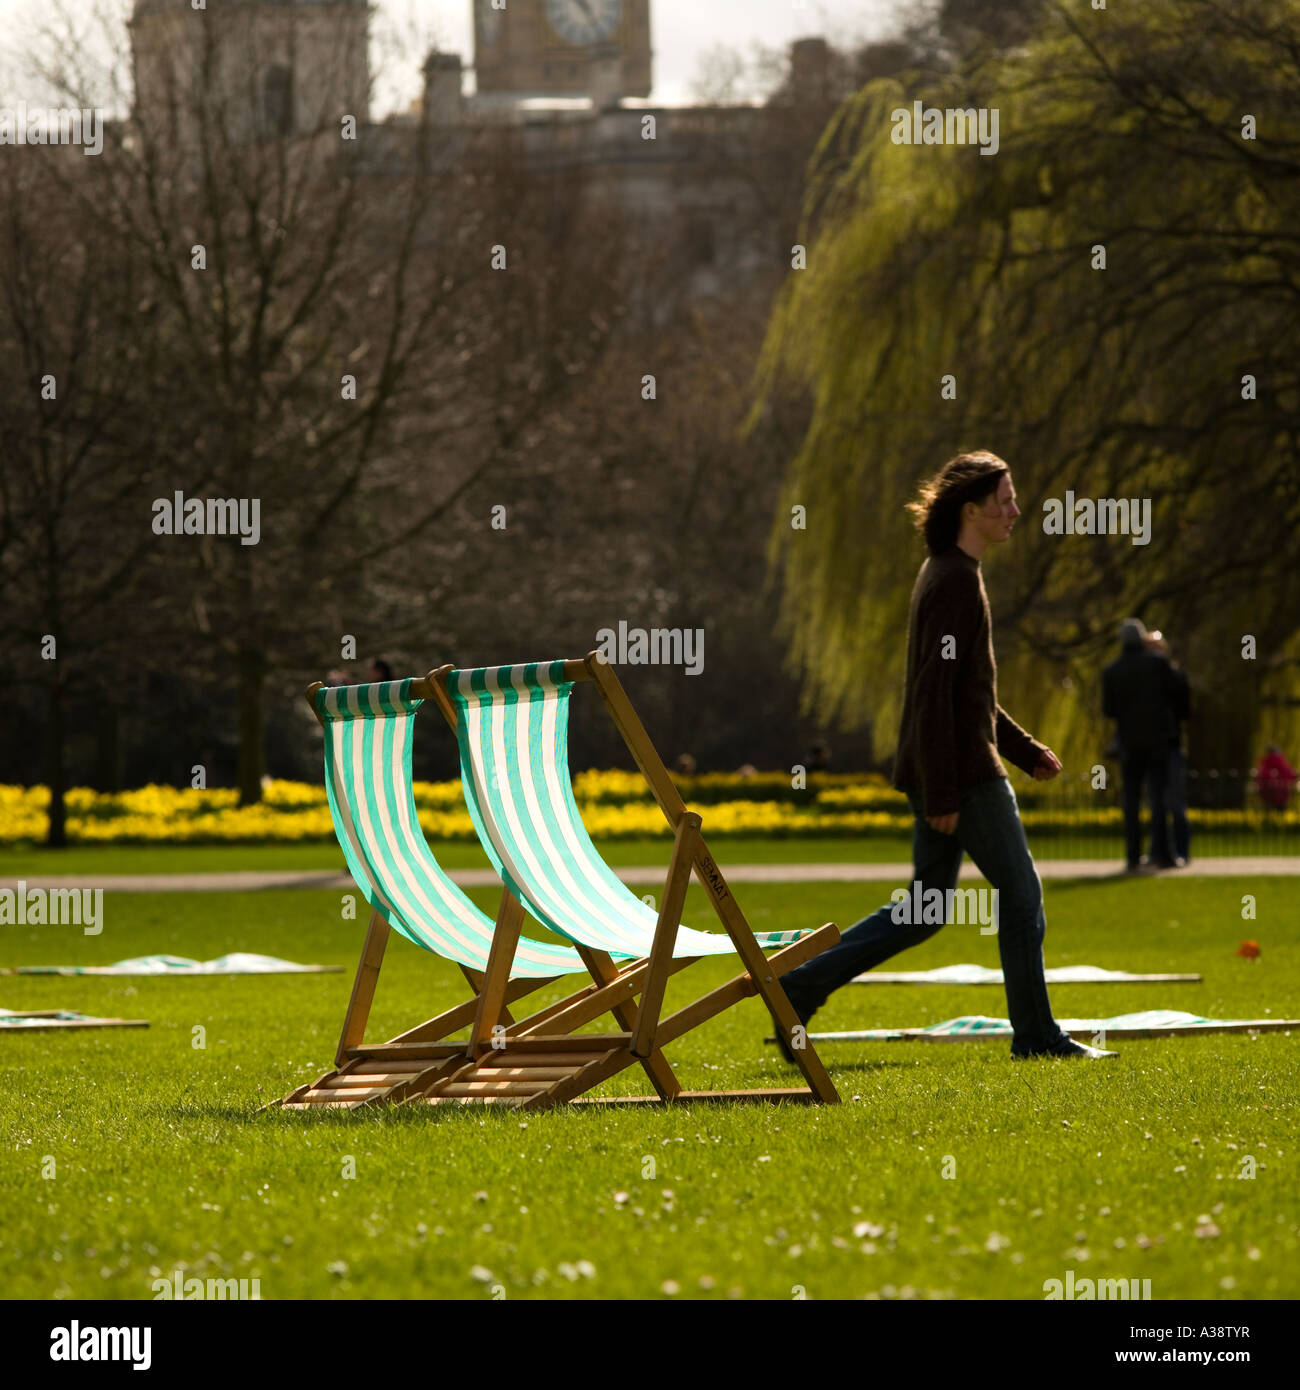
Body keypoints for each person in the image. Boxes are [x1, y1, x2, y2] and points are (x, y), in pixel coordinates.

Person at [776, 451, 1113, 1061]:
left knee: (922, 912)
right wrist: (943, 795)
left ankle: (800, 985)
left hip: (957, 769)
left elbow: (968, 694)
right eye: (1005, 499)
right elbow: (933, 695)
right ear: (972, 509)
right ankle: (1037, 1038)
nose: (1015, 510)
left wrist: (1023, 748)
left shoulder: (950, 571)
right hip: (963, 777)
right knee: (1021, 895)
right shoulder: (953, 578)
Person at [1102, 618, 1185, 871]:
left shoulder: (1112, 671)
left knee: (1131, 800)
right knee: (1158, 798)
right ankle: (1163, 854)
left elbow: (1109, 710)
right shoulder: (1158, 665)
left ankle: (1132, 856)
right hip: (1158, 740)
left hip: (1129, 742)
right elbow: (1177, 696)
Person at [1145, 630, 1191, 866]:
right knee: (1156, 802)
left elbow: (1185, 709)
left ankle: (1181, 850)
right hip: (1152, 748)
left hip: (1170, 746)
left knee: (1175, 801)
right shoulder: (1144, 681)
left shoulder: (1173, 676)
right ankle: (1158, 851)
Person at [1257, 745, 1299, 810]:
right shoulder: (1279, 760)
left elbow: (1261, 775)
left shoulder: (1265, 762)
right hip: (1280, 791)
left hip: (1265, 790)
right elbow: (1288, 773)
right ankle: (1280, 811)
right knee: (1283, 791)